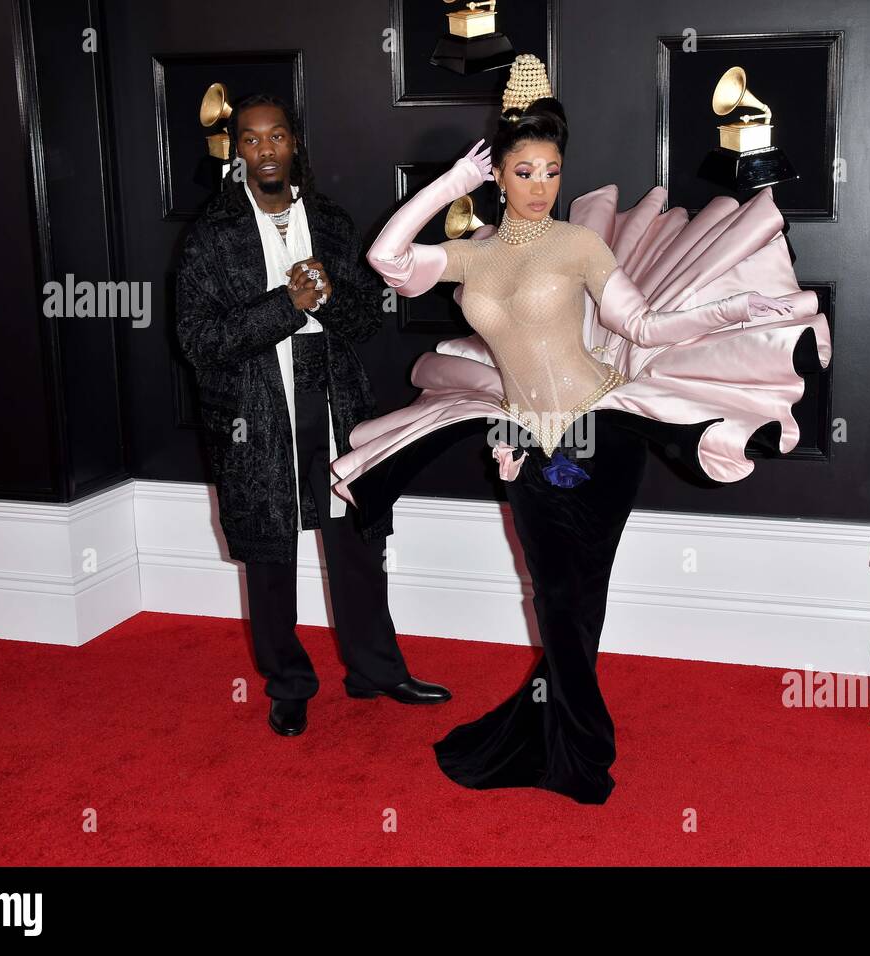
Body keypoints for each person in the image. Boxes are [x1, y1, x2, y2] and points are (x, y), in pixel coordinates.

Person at [332, 56, 831, 803]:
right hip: (529, 444)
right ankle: (551, 734)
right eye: (524, 170)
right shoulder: (469, 256)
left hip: (600, 436)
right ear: (497, 172)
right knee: (560, 599)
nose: (540, 187)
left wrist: (737, 312)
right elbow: (385, 257)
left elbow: (645, 324)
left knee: (567, 598)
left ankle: (583, 755)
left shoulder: (578, 246)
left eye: (552, 170)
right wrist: (448, 186)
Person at [175, 93, 450, 739]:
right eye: (251, 139)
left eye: (276, 136)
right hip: (254, 405)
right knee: (271, 553)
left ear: (294, 143)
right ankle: (289, 684)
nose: (265, 149)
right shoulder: (211, 235)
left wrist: (325, 300)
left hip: (335, 397)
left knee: (357, 542)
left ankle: (375, 670)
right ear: (236, 149)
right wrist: (285, 304)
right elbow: (197, 341)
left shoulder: (328, 220)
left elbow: (363, 323)